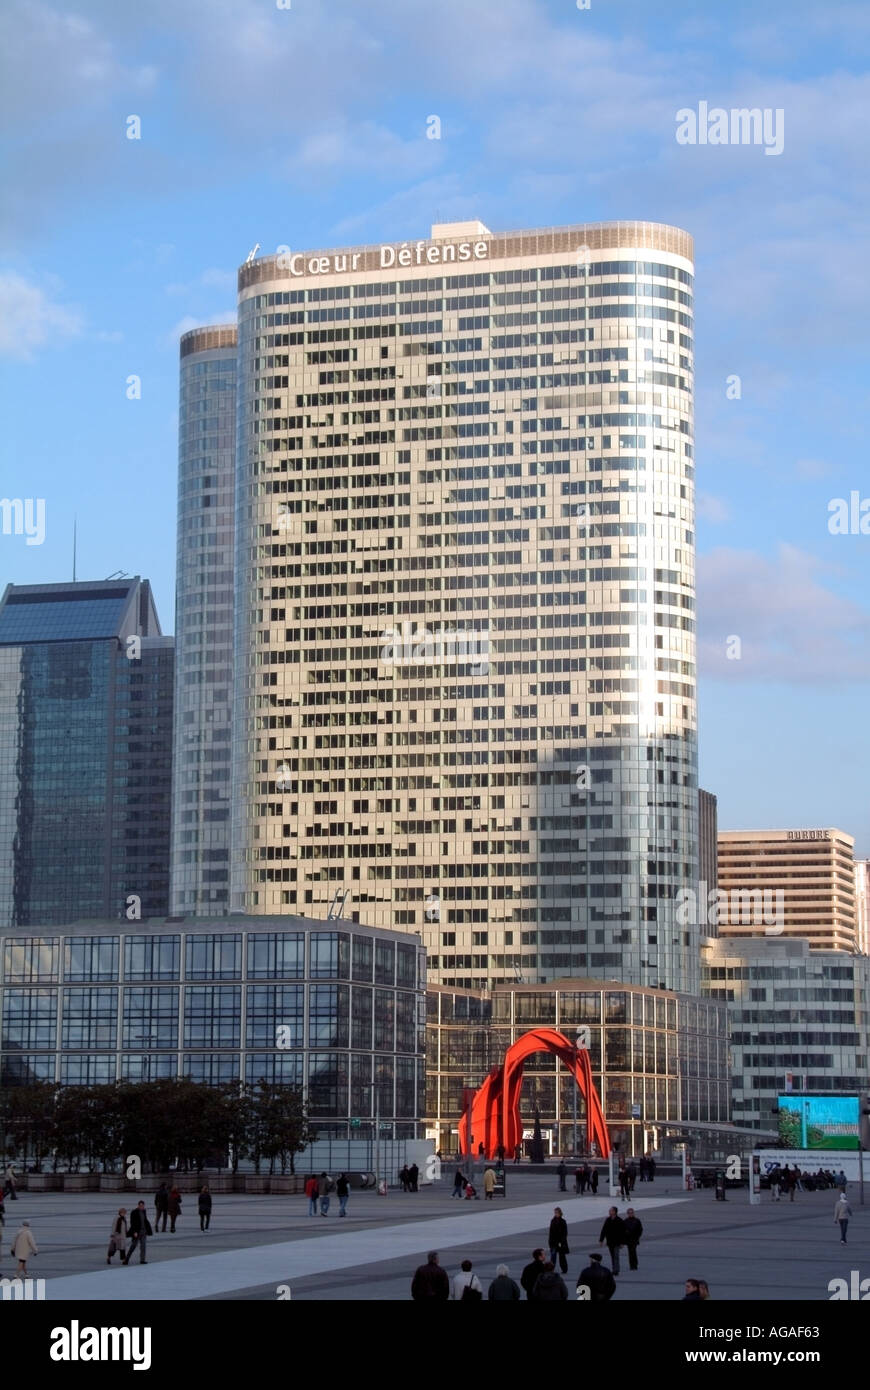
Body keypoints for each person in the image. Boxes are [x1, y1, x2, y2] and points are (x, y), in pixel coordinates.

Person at [599, 1206, 626, 1275]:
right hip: (610, 1241)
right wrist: (601, 1240)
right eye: (609, 1211)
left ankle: (616, 1270)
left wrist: (623, 1242)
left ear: (614, 1212)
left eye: (610, 1211)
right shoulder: (608, 1220)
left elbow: (623, 1232)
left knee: (616, 1256)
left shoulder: (619, 1220)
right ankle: (614, 1268)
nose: (609, 1212)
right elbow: (604, 1230)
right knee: (612, 1256)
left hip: (617, 1242)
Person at [548, 1206, 569, 1274]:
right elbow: (550, 1232)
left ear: (560, 1213)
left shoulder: (563, 1221)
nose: (556, 1214)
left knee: (562, 1257)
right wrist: (550, 1242)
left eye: (557, 1213)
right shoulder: (552, 1221)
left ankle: (564, 1269)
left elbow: (565, 1233)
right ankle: (551, 1269)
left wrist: (562, 1241)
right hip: (553, 1242)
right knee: (553, 1257)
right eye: (555, 1213)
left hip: (560, 1242)